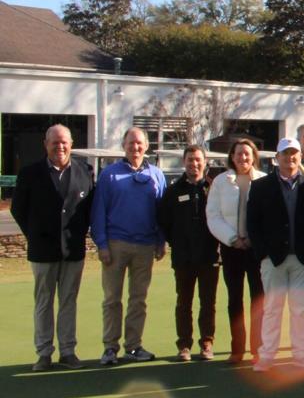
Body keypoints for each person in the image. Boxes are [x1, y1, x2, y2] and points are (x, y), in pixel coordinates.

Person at [12, 124, 93, 370]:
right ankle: (44, 353)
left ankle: (68, 351)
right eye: (54, 142)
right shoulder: (29, 173)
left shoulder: (84, 171)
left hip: (73, 250)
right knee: (44, 302)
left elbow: (88, 210)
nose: (60, 146)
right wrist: (35, 235)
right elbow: (18, 210)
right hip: (42, 251)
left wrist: (78, 234)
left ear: (71, 144)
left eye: (64, 142)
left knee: (69, 301)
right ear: (45, 144)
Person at [245, 138, 304, 371]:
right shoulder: (261, 186)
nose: (290, 159)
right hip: (273, 259)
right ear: (276, 158)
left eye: (294, 155)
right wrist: (263, 254)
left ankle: (301, 354)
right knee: (272, 308)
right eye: (285, 155)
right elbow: (253, 223)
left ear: (300, 157)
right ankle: (267, 355)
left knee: (300, 309)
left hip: (303, 258)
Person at [91, 127, 166, 365]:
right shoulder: (109, 174)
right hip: (115, 244)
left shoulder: (157, 174)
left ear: (146, 147)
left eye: (140, 143)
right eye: (131, 143)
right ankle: (110, 348)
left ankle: (133, 347)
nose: (135, 147)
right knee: (112, 299)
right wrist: (101, 244)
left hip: (145, 246)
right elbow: (98, 211)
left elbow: (161, 212)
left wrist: (161, 240)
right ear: (124, 146)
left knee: (138, 299)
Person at [206, 138, 267, 363]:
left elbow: (268, 217)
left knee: (258, 299)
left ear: (254, 157)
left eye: (247, 154)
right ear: (232, 156)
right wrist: (233, 239)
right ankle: (237, 348)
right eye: (239, 153)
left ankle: (258, 348)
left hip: (256, 250)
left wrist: (254, 239)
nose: (243, 158)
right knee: (235, 300)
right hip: (231, 249)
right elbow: (213, 216)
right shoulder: (221, 182)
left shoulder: (264, 181)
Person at [158, 145, 219, 361]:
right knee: (184, 302)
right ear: (184, 162)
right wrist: (176, 242)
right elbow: (164, 221)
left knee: (208, 303)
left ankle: (207, 343)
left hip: (210, 256)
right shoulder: (174, 191)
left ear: (205, 162)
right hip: (183, 258)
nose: (194, 164)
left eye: (198, 160)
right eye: (190, 160)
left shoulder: (214, 188)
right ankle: (184, 345)